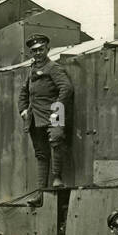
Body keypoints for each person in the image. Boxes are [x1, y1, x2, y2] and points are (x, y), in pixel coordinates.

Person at [18, 32, 73, 202]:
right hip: (35, 118)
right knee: (41, 155)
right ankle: (40, 193)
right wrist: (23, 110)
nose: (38, 53)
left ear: (47, 49)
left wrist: (57, 108)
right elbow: (23, 93)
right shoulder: (31, 70)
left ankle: (57, 178)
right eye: (34, 50)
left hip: (55, 114)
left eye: (41, 49)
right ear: (31, 53)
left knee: (56, 141)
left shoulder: (53, 67)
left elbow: (66, 88)